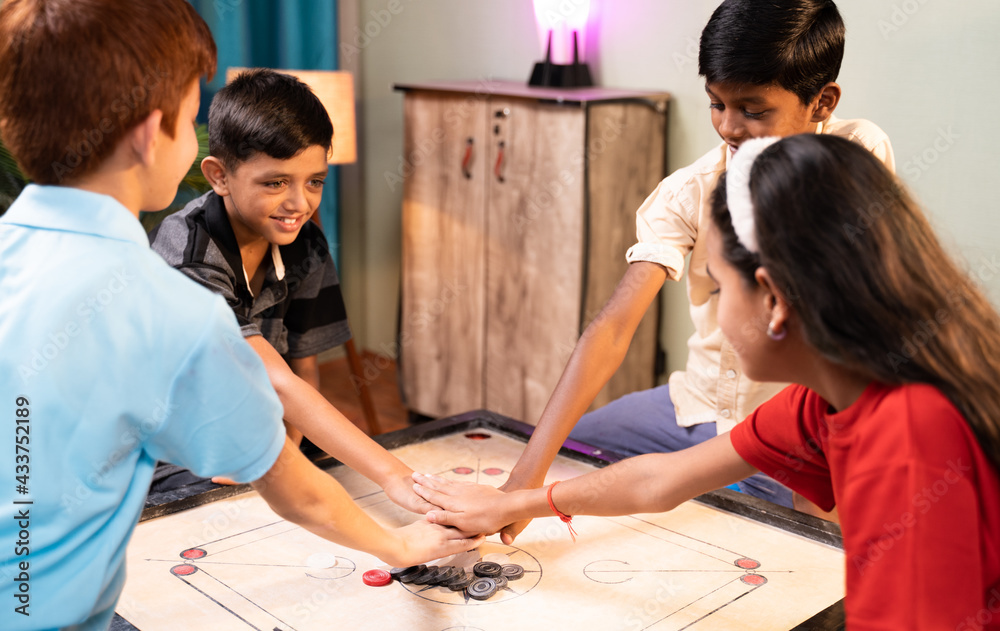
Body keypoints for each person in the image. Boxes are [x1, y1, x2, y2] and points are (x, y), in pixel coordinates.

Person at [0, 2, 480, 629]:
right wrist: (401, 544)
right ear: (154, 133)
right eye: (190, 113)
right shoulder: (172, 305)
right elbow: (296, 489)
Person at [412, 134, 1000, 629]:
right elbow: (662, 479)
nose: (715, 313)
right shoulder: (823, 402)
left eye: (718, 288)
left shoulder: (912, 447)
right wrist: (518, 502)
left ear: (772, 299)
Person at [499, 0, 894, 535]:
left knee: (810, 539)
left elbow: (848, 336)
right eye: (716, 104)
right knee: (571, 455)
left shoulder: (856, 155)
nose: (729, 127)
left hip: (802, 423)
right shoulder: (688, 191)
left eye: (753, 110)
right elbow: (613, 328)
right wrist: (523, 483)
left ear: (821, 102)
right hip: (696, 405)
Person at [148, 69, 431, 506]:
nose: (299, 204)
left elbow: (304, 370)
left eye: (314, 181)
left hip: (261, 430)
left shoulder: (307, 243)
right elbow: (276, 381)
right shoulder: (185, 252)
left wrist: (291, 446)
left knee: (343, 487)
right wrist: (396, 477)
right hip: (174, 450)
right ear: (219, 176)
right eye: (276, 182)